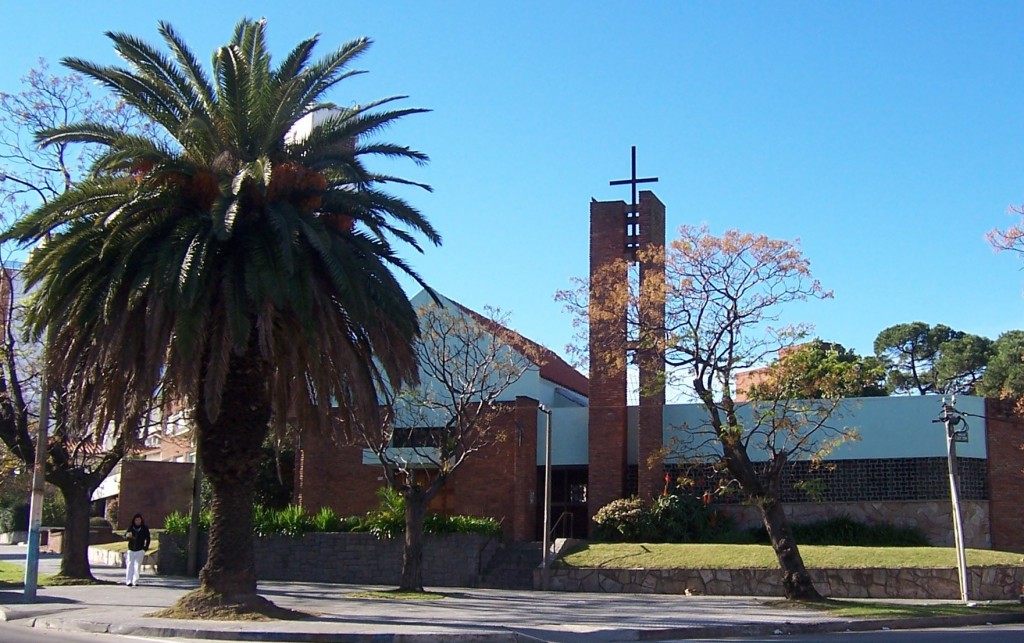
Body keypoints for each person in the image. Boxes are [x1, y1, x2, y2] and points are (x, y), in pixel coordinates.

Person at [124, 513, 151, 587]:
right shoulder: (131, 528)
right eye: (136, 520)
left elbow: (148, 538)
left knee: (137, 565)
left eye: (139, 520)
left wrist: (145, 548)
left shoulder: (144, 528)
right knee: (130, 565)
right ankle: (128, 581)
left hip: (140, 549)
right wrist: (128, 536)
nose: (137, 521)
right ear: (134, 521)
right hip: (131, 549)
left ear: (141, 520)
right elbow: (125, 536)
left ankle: (135, 581)